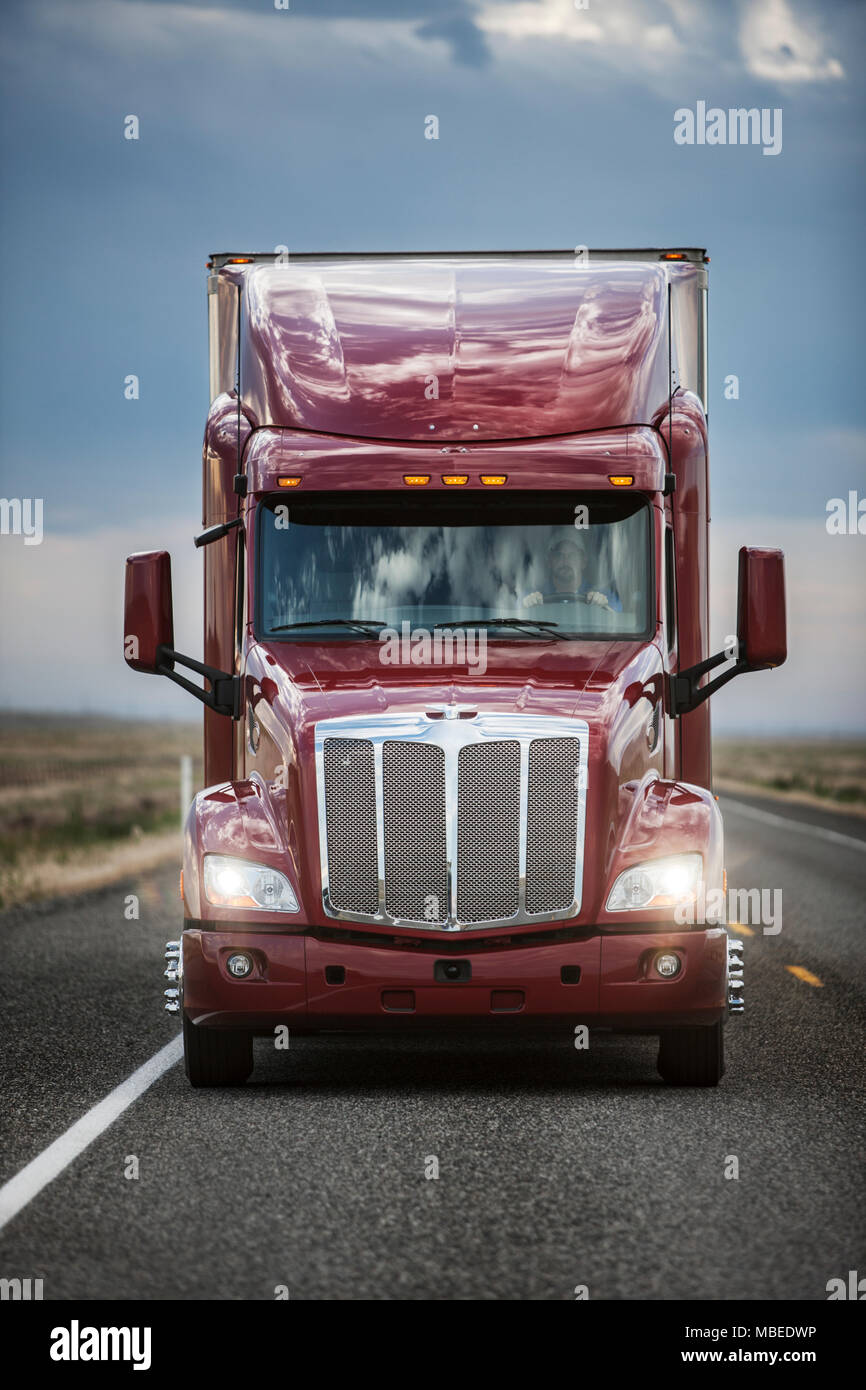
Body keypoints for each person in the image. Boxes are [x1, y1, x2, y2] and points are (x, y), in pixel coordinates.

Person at [522, 533, 621, 610]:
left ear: (583, 561)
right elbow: (514, 620)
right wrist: (526, 607)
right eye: (559, 555)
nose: (565, 560)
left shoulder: (605, 597)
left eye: (573, 555)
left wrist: (604, 607)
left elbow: (618, 625)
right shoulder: (531, 596)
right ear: (549, 561)